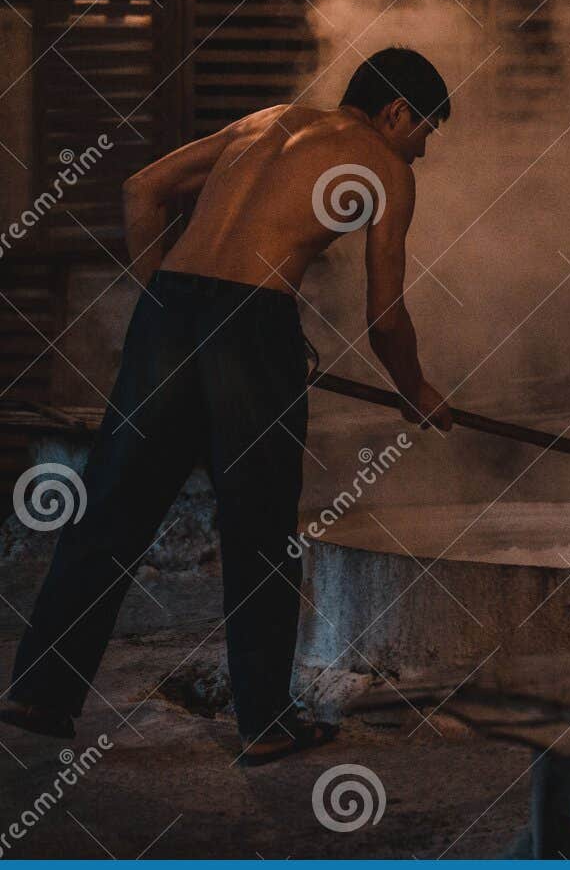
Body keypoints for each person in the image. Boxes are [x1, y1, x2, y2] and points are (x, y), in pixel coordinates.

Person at [1, 47, 455, 766]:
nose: (423, 150)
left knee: (112, 505)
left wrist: (167, 304)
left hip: (169, 312)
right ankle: (265, 723)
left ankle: (40, 692)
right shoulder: (385, 166)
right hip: (253, 326)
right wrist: (415, 390)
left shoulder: (265, 122)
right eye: (425, 130)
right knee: (260, 526)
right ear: (397, 111)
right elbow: (386, 316)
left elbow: (142, 189)